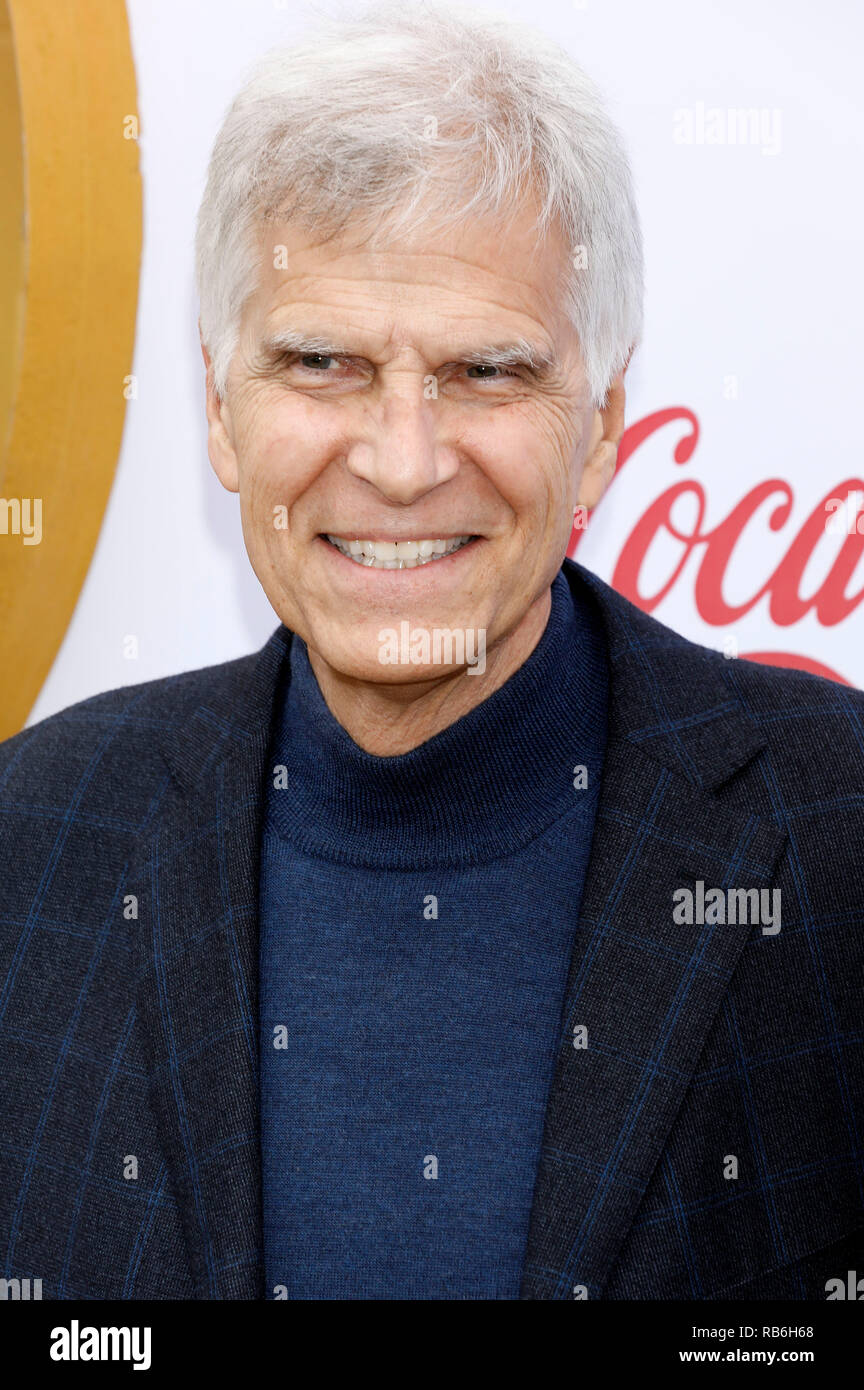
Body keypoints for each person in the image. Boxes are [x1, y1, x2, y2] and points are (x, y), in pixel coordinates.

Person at [0, 1, 861, 1301]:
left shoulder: (837, 829)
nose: (403, 460)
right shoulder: (32, 833)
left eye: (486, 372)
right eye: (322, 362)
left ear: (605, 427)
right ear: (219, 407)